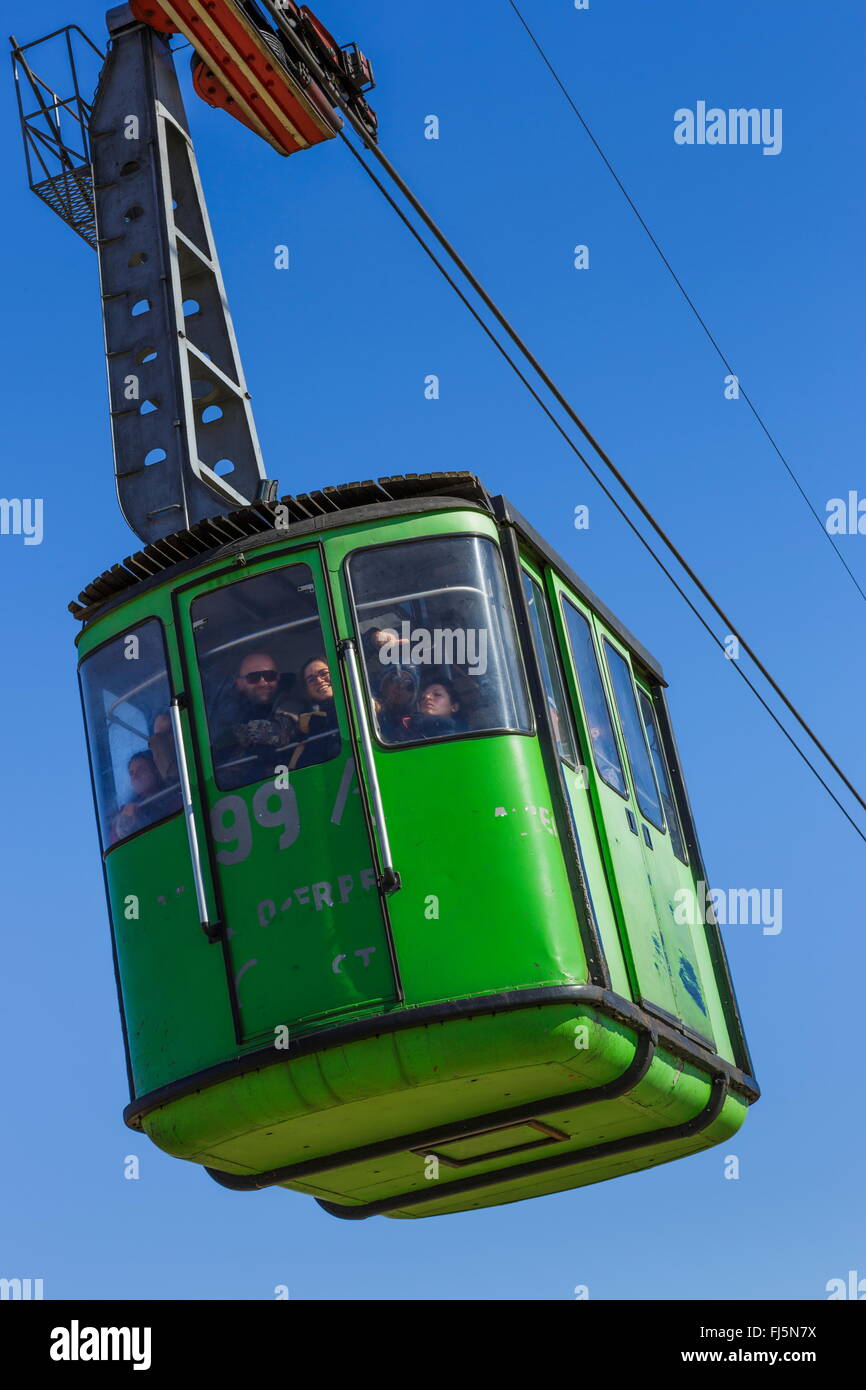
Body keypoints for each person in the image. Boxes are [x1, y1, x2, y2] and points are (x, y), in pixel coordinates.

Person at [212, 650, 299, 785]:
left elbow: (278, 732)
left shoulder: (292, 702)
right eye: (253, 678)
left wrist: (231, 737)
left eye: (269, 676)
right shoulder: (228, 713)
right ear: (239, 683)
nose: (263, 683)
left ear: (278, 678)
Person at [110, 749, 179, 843]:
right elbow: (118, 842)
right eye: (131, 773)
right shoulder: (125, 812)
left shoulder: (176, 797)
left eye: (141, 770)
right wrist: (126, 821)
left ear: (155, 771)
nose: (135, 776)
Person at [292, 655, 340, 768]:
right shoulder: (306, 723)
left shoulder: (360, 700)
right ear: (307, 691)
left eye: (324, 673)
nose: (319, 680)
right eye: (311, 679)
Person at [405, 676, 465, 740]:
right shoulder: (405, 732)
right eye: (423, 697)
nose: (427, 697)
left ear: (454, 707)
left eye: (437, 694)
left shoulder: (468, 736)